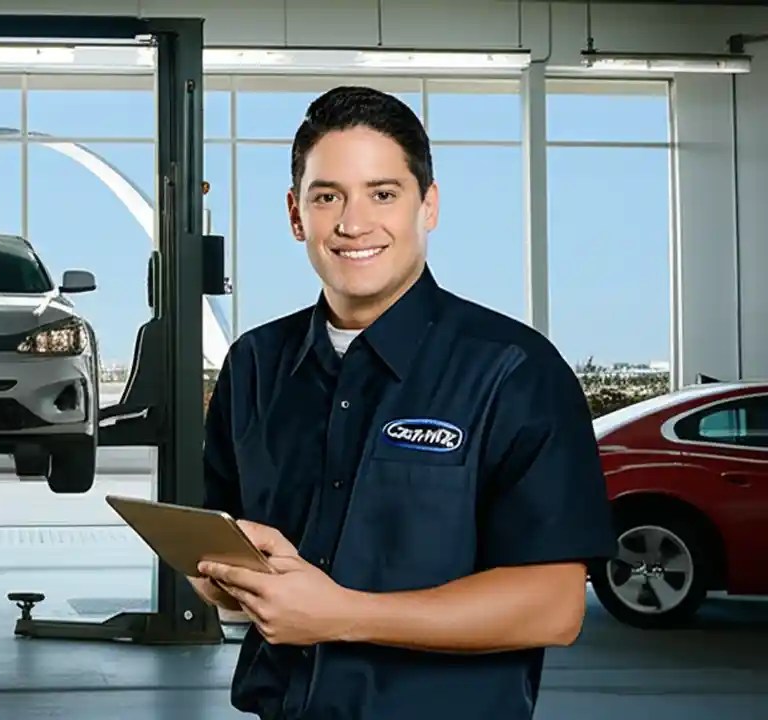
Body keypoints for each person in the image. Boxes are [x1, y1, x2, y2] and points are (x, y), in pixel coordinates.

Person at [188, 85, 618, 719]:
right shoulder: (255, 363)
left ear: (429, 206)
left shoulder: (513, 370)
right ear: (295, 213)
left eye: (383, 194)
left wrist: (343, 615)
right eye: (327, 195)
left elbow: (553, 607)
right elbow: (218, 563)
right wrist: (225, 578)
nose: (353, 223)